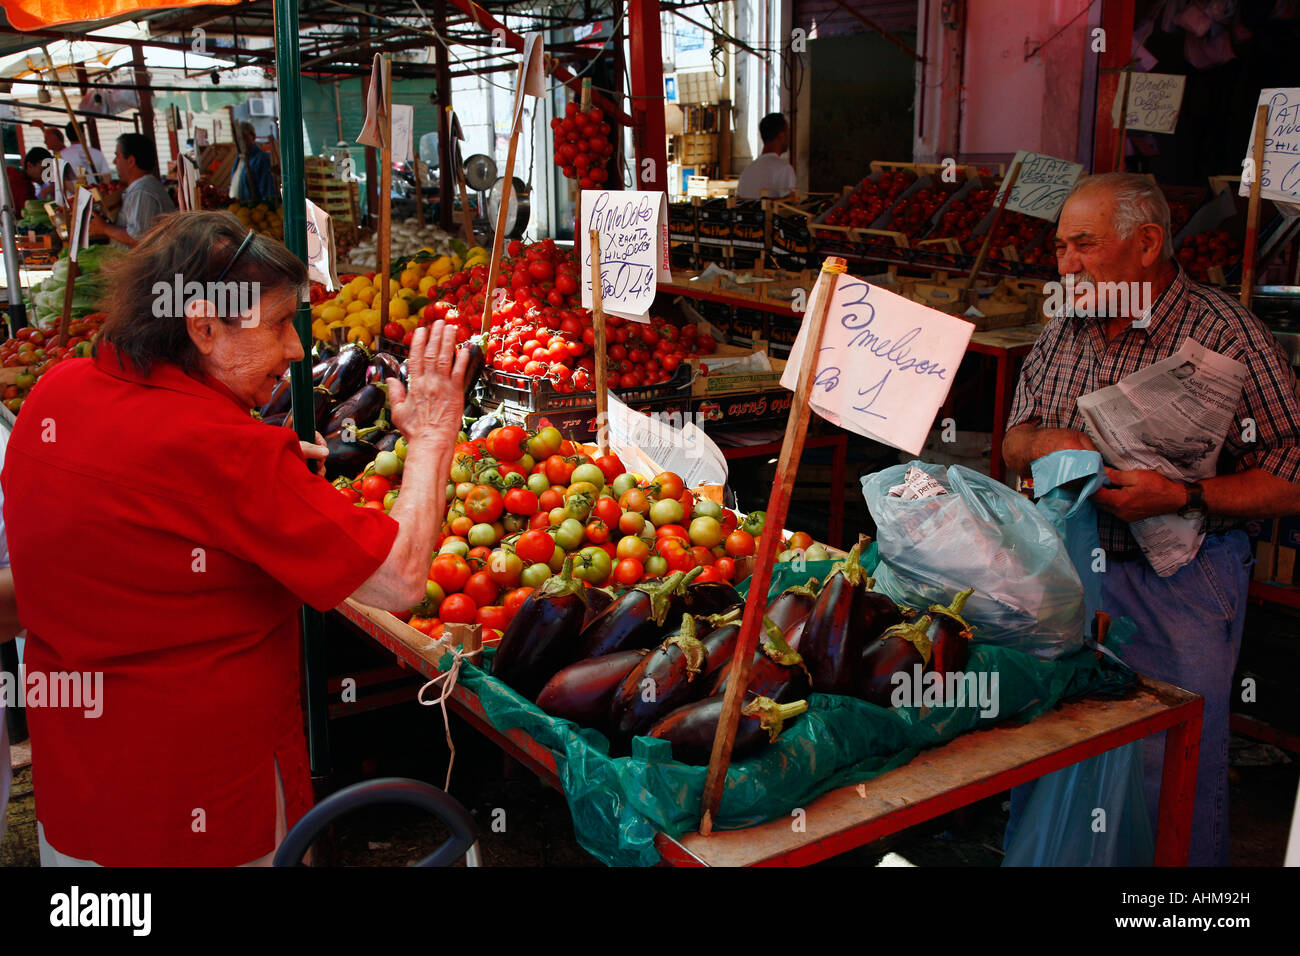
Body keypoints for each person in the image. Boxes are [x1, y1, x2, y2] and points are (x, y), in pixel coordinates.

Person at [1, 210, 469, 866]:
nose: (297, 349)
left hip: (81, 798)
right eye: (279, 324)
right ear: (203, 325)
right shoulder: (224, 450)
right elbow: (397, 579)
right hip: (202, 816)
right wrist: (434, 436)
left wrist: (266, 494)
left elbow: (138, 530)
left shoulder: (58, 392)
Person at [1003, 171, 1300, 866]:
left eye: (1083, 245)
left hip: (1182, 583)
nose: (1066, 264)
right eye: (1060, 248)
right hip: (1071, 581)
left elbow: (1293, 469)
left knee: (1169, 766)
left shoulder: (1223, 332)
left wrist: (1184, 497)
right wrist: (1047, 443)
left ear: (1147, 245)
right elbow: (1014, 440)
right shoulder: (1065, 326)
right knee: (1054, 750)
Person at [89, 133, 175, 247]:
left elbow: (138, 238)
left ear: (131, 161)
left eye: (117, 156)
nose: (114, 162)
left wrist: (104, 228)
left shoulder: (142, 191)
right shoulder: (140, 188)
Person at [737, 113, 797, 200]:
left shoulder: (746, 171)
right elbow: (788, 207)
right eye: (788, 132)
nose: (789, 138)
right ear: (781, 136)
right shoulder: (784, 169)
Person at [236, 121, 277, 202]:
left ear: (253, 136)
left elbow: (268, 194)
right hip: (240, 209)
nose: (239, 142)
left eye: (243, 138)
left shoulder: (262, 159)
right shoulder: (239, 159)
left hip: (257, 211)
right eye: (237, 139)